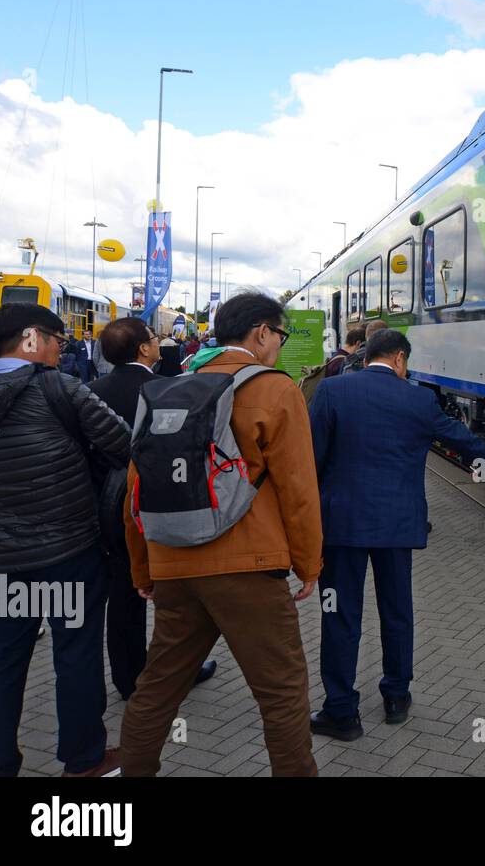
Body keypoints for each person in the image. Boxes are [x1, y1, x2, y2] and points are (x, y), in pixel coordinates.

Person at [118, 292, 323, 777]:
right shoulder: (275, 389)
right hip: (248, 570)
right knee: (281, 692)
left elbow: (135, 489)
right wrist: (308, 563)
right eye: (280, 334)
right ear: (261, 332)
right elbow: (299, 487)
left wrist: (143, 567)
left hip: (174, 565)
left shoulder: (170, 389)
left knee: (159, 685)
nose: (279, 345)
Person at [307, 328, 485, 740]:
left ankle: (341, 712)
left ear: (368, 358)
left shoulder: (334, 392)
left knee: (339, 615)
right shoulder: (418, 399)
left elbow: (311, 460)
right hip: (397, 527)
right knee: (397, 610)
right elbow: (460, 438)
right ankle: (396, 696)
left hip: (342, 526)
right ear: (399, 359)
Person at [0, 304, 132, 777]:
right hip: (67, 550)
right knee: (76, 653)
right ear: (32, 338)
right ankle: (84, 759)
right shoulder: (58, 387)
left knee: (0, 658)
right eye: (55, 339)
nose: (58, 349)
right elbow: (125, 444)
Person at [89, 318, 217, 699]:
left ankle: (128, 677)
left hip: (105, 507)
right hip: (154, 504)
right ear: (143, 349)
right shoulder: (164, 389)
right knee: (173, 596)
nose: (158, 342)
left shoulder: (90, 389)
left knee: (124, 593)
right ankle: (174, 672)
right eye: (152, 338)